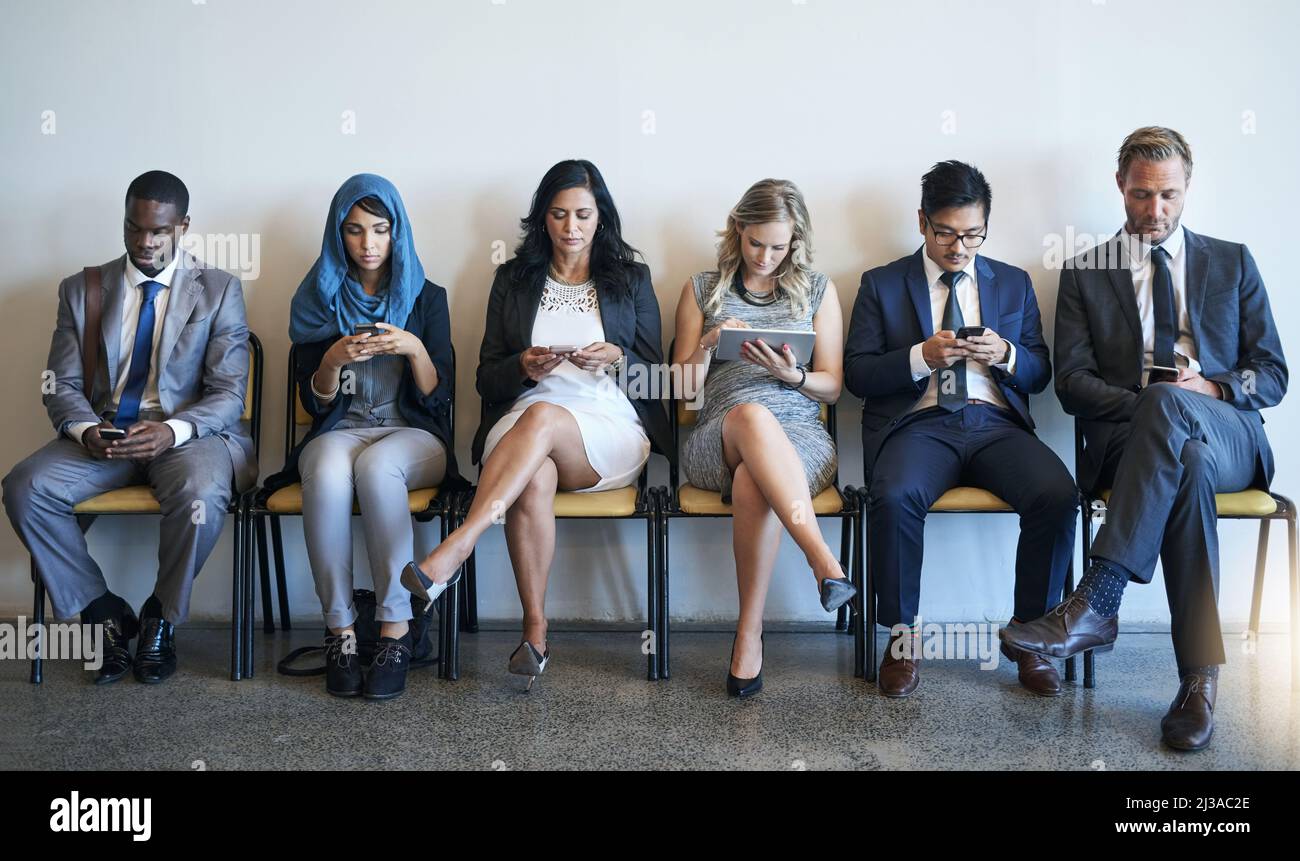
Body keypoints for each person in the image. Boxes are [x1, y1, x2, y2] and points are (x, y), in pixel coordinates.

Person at [1002, 127, 1287, 750]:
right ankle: (1197, 685)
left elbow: (1272, 375)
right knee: (1184, 458)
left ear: (1189, 188)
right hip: (1140, 445)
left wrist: (1203, 391)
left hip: (1231, 434)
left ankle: (1097, 601)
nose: (1153, 211)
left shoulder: (1232, 260)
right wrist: (1158, 402)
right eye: (1140, 195)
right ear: (1119, 187)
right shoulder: (1084, 272)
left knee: (1181, 421)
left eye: (1168, 196)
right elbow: (1071, 384)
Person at [400, 159, 671, 688]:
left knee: (545, 418)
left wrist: (617, 358)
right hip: (522, 428)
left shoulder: (630, 280)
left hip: (606, 430)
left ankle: (458, 546)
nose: (571, 227)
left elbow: (656, 380)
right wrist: (522, 367)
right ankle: (535, 633)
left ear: (601, 218)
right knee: (536, 474)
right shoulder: (513, 279)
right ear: (542, 219)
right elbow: (485, 379)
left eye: (583, 215)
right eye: (559, 214)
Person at [3, 170, 256, 685]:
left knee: (201, 493)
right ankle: (103, 613)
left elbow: (229, 394)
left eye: (158, 231)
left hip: (187, 437)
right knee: (24, 488)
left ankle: (161, 618)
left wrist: (174, 431)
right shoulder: (83, 290)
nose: (145, 242)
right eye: (134, 227)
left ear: (183, 226)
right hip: (106, 436)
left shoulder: (219, 290)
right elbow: (61, 383)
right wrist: (82, 430)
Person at [844, 161, 1077, 698]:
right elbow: (857, 374)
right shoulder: (881, 284)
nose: (959, 247)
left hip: (997, 425)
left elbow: (1042, 374)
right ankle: (902, 638)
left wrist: (1009, 355)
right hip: (920, 425)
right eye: (946, 232)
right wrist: (919, 356)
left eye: (973, 234)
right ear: (922, 222)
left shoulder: (1014, 283)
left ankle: (1030, 638)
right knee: (895, 494)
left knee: (1057, 494)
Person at [266, 173, 463, 701]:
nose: (368, 244)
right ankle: (342, 634)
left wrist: (414, 349)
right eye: (354, 231)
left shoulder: (427, 296)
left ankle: (395, 631)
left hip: (413, 434)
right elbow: (315, 405)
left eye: (380, 229)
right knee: (327, 470)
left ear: (397, 231)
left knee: (378, 469)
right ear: (338, 235)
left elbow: (439, 399)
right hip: (344, 429)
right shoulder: (318, 299)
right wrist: (330, 360)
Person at [672, 178, 856, 698]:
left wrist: (792, 375)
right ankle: (824, 562)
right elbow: (682, 389)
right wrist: (709, 343)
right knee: (752, 417)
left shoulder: (819, 290)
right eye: (757, 244)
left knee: (756, 479)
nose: (766, 257)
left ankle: (748, 636)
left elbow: (832, 384)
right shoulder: (702, 288)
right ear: (737, 230)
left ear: (795, 240)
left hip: (800, 438)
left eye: (780, 247)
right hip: (719, 434)